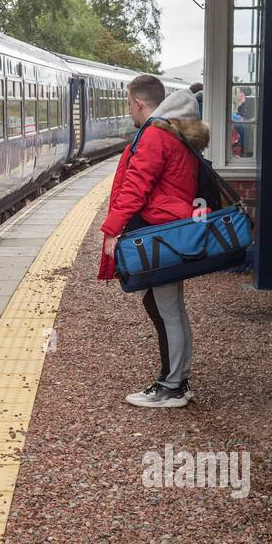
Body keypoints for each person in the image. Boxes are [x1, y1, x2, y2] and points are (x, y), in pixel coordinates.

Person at [98, 76, 209, 409]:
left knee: (167, 309)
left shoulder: (154, 136)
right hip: (169, 230)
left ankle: (172, 386)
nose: (128, 109)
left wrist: (112, 229)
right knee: (167, 307)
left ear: (138, 103)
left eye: (128, 103)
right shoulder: (172, 132)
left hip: (162, 233)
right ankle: (177, 381)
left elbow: (136, 188)